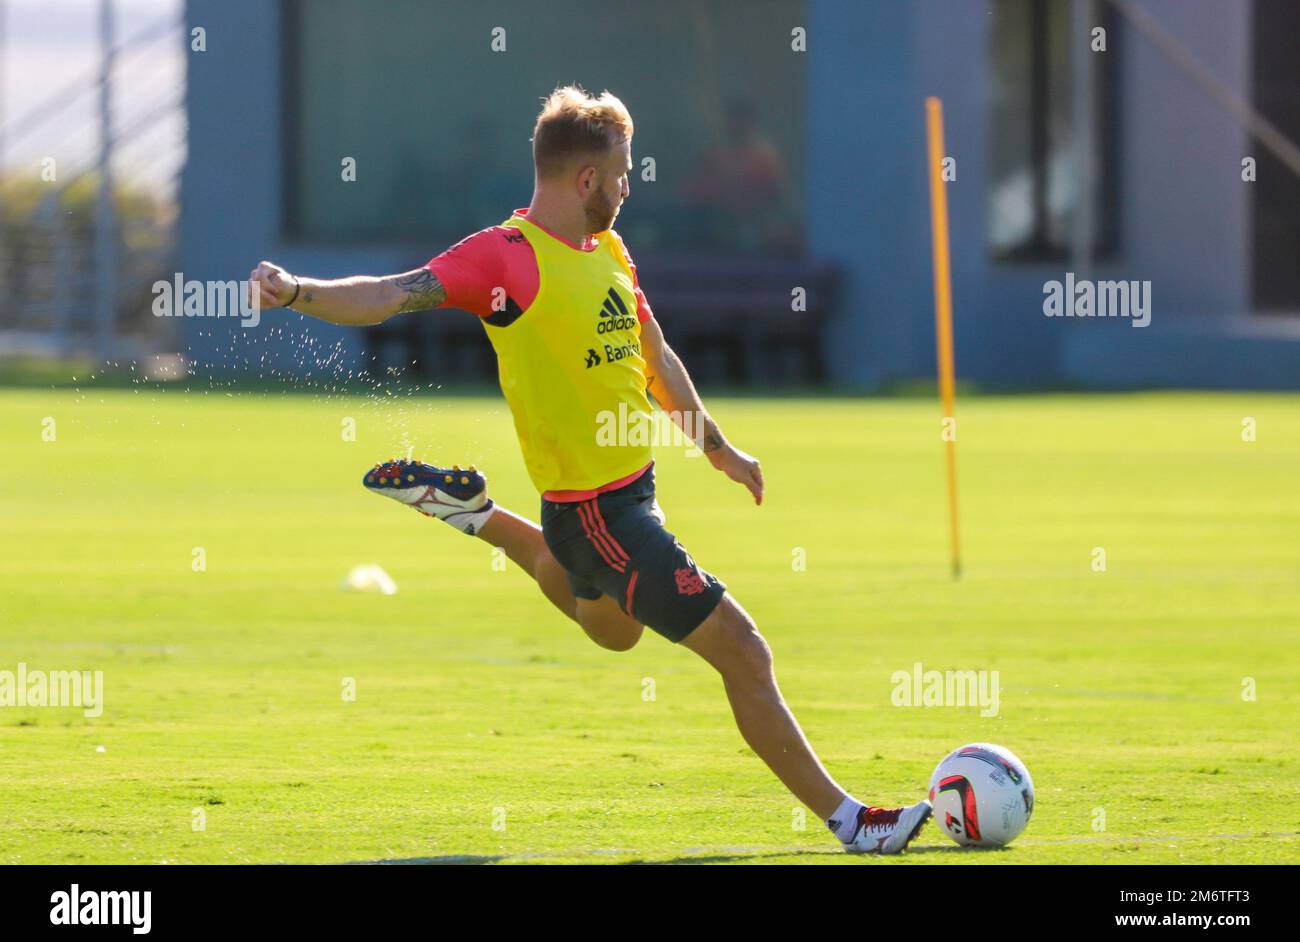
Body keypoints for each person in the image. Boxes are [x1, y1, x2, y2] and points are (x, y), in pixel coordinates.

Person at [248, 85, 930, 854]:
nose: (630, 185)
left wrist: (717, 447)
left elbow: (654, 352)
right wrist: (298, 292)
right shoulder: (504, 257)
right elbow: (389, 294)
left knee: (612, 635)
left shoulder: (607, 251)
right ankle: (854, 822)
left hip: (617, 504)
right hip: (600, 514)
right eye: (623, 171)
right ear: (584, 181)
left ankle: (470, 511)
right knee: (745, 651)